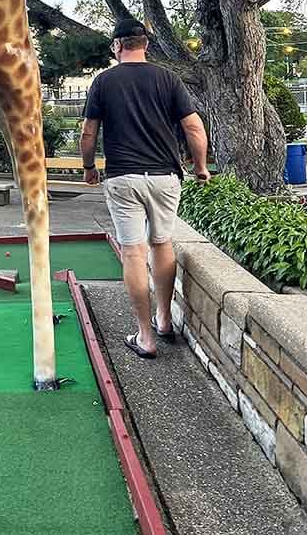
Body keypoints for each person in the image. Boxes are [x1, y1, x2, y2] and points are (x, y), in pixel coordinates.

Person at [80, 18, 210, 360]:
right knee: (161, 244)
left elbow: (88, 133)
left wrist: (90, 167)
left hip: (123, 178)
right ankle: (165, 319)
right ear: (145, 45)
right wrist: (200, 167)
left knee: (134, 252)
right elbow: (194, 128)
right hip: (165, 177)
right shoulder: (168, 79)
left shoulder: (104, 82)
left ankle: (146, 336)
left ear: (117, 46)